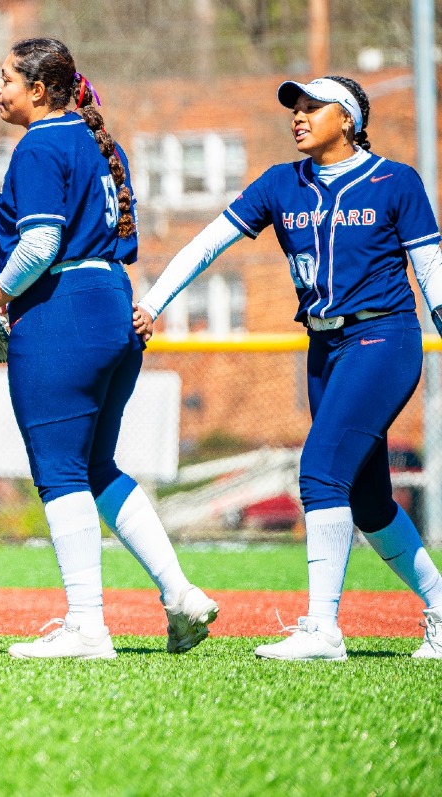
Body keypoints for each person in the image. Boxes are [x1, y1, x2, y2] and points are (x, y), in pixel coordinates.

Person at [135, 75, 442, 661]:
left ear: (348, 119)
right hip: (325, 349)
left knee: (320, 474)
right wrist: (152, 302)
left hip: (383, 337)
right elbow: (206, 244)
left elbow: (432, 274)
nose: (298, 116)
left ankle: (322, 629)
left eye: (312, 107)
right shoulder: (282, 183)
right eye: (294, 108)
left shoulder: (395, 181)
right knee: (370, 501)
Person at [0, 37, 218, 659]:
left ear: (40, 90)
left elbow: (42, 244)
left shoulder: (40, 144)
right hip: (113, 303)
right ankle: (179, 593)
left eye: (6, 80)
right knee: (96, 465)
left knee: (59, 472)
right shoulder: (101, 144)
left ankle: (87, 626)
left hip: (62, 312)